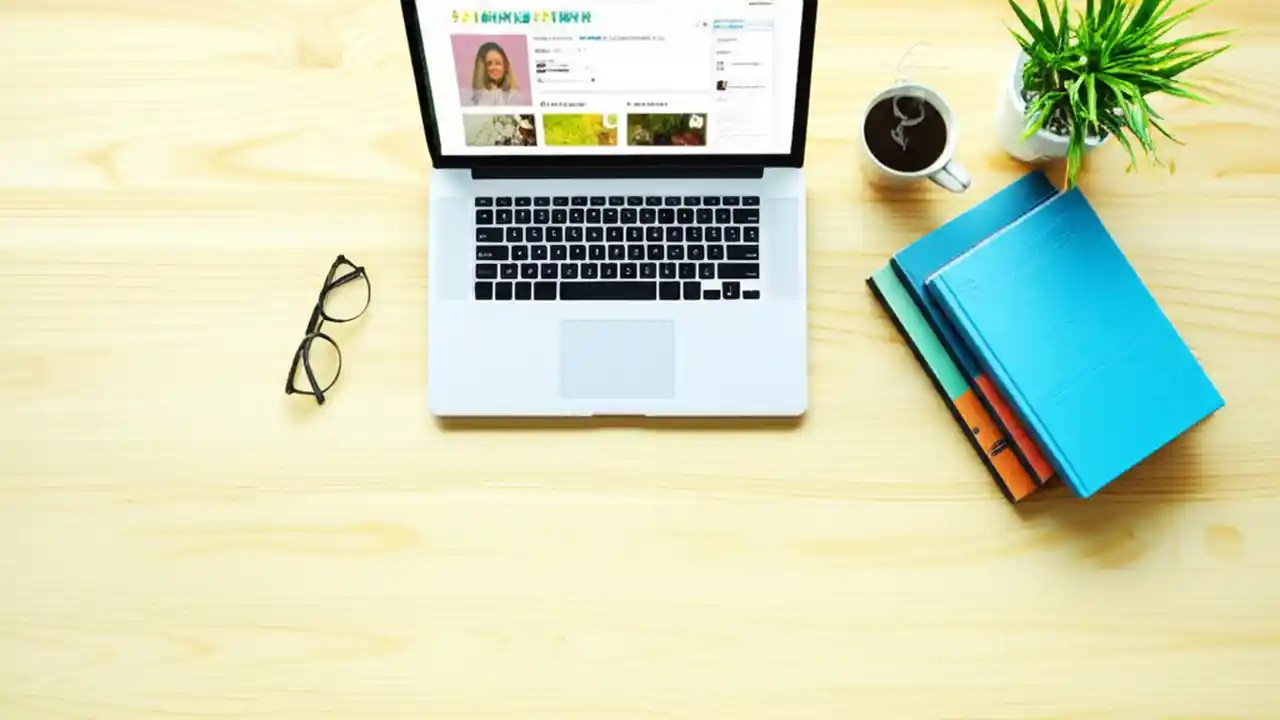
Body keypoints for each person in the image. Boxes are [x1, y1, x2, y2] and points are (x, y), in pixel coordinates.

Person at [469, 42, 521, 106]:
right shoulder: (477, 96)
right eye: (489, 64)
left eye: (498, 63)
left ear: (505, 66)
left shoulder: (513, 95)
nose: (493, 67)